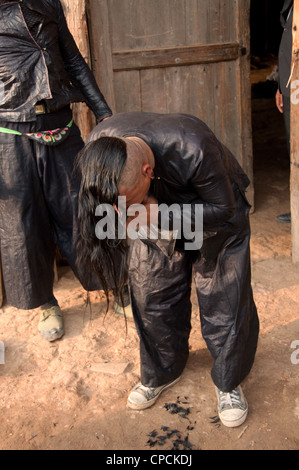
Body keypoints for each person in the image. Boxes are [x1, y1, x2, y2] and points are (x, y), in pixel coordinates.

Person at [76, 112, 260, 428]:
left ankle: (228, 382)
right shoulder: (102, 147)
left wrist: (158, 211)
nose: (120, 213)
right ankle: (161, 371)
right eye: (118, 205)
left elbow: (222, 208)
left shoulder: (194, 146)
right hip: (152, 213)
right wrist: (140, 210)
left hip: (215, 217)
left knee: (224, 298)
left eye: (127, 202)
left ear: (148, 172)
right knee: (151, 291)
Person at [0, 0, 112, 342]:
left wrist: (104, 113)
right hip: (9, 134)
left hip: (59, 126)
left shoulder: (48, 4)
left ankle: (111, 285)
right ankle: (47, 303)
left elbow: (74, 61)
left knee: (82, 210)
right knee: (24, 224)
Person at [275, 0, 293, 223]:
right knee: (294, 149)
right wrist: (280, 87)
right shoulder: (290, 6)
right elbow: (287, 49)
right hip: (290, 89)